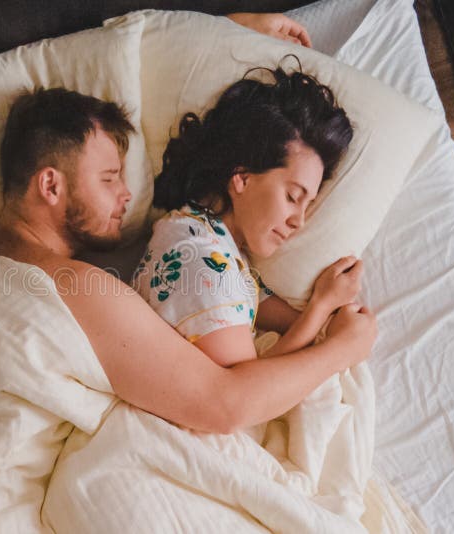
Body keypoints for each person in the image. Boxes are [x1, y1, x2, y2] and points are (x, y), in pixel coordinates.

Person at [0, 18, 376, 435]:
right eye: (109, 177)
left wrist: (235, 28)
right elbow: (227, 404)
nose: (127, 194)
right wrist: (342, 349)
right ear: (51, 185)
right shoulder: (83, 286)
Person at [132, 65, 364, 368]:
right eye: (293, 197)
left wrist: (328, 316)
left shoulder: (206, 236)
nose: (299, 221)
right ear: (242, 177)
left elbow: (259, 303)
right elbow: (248, 387)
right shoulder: (202, 261)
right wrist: (321, 309)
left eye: (307, 205)